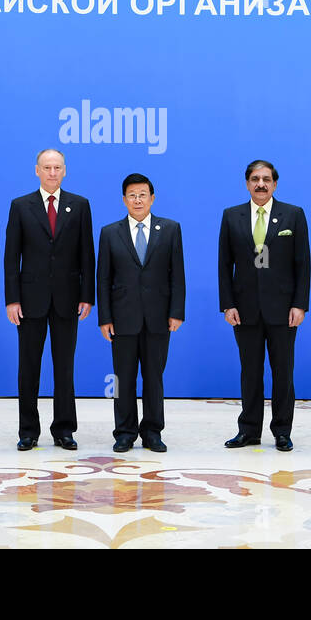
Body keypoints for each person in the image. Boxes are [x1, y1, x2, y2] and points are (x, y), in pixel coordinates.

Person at [3, 148, 95, 451]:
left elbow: (87, 253)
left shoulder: (80, 205)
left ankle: (64, 429)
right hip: (29, 301)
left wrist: (87, 295)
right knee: (28, 367)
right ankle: (28, 431)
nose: (52, 173)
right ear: (37, 170)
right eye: (47, 167)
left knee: (64, 367)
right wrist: (12, 299)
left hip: (68, 299)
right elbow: (11, 256)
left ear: (64, 170)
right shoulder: (20, 206)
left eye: (57, 167)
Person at [217, 159, 310, 451]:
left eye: (266, 179)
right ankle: (249, 430)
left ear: (275, 184)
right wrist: (228, 304)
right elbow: (224, 264)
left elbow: (303, 264)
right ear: (247, 184)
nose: (261, 184)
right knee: (250, 372)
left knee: (283, 373)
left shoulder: (293, 215)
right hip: (244, 309)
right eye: (255, 179)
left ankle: (282, 431)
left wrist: (299, 304)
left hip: (283, 310)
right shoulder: (231, 216)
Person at [96, 174, 185, 452]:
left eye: (142, 195)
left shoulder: (170, 229)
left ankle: (152, 432)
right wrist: (105, 318)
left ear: (152, 198)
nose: (137, 200)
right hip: (122, 318)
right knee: (122, 379)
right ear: (124, 200)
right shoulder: (110, 233)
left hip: (159, 317)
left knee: (154, 377)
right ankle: (124, 432)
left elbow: (177, 274)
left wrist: (176, 312)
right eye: (132, 195)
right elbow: (103, 279)